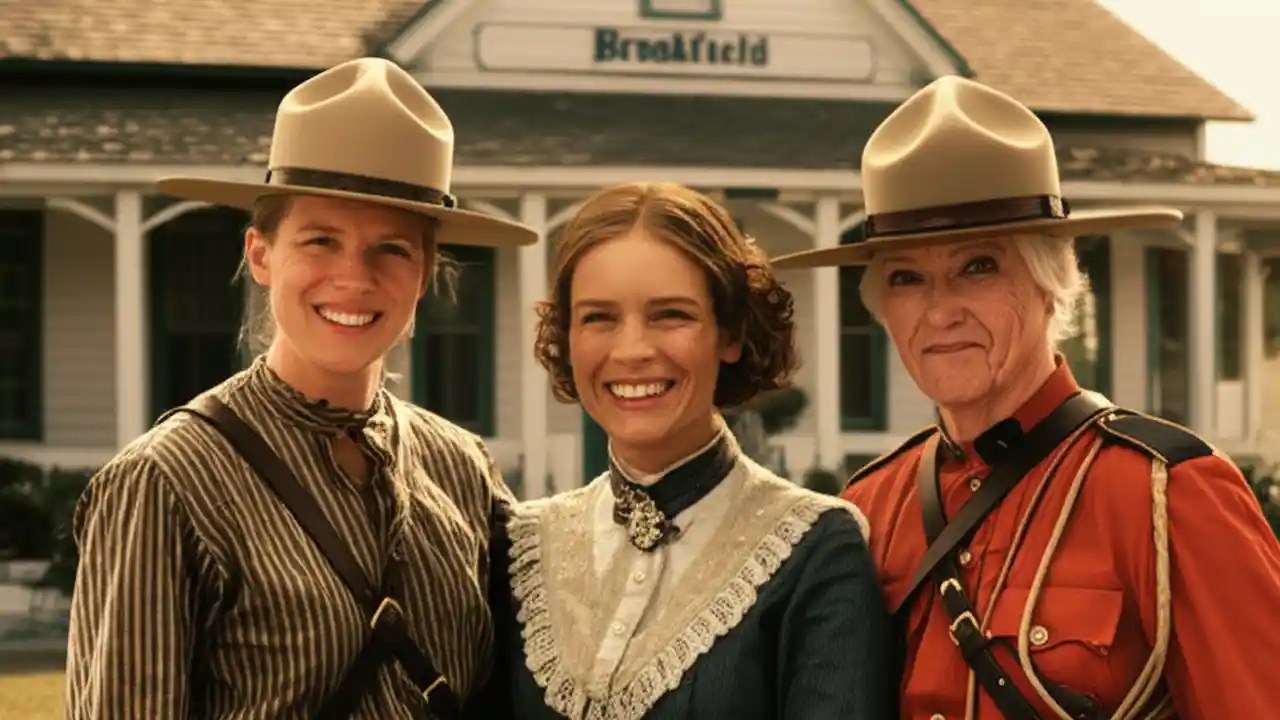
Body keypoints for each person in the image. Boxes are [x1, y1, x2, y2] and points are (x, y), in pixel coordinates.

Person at [773, 75, 1280, 719]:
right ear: (883, 310)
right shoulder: (869, 510)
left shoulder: (1168, 493)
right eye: (907, 278)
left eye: (977, 267)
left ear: (1050, 282)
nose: (940, 311)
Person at [64, 57, 539, 719]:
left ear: (425, 273)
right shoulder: (164, 483)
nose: (354, 277)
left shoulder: (461, 467)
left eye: (392, 249)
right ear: (261, 254)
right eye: (320, 240)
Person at [491, 181, 893, 719]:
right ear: (567, 338)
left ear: (730, 334)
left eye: (670, 315)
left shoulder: (814, 550)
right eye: (598, 318)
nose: (632, 350)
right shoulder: (519, 548)